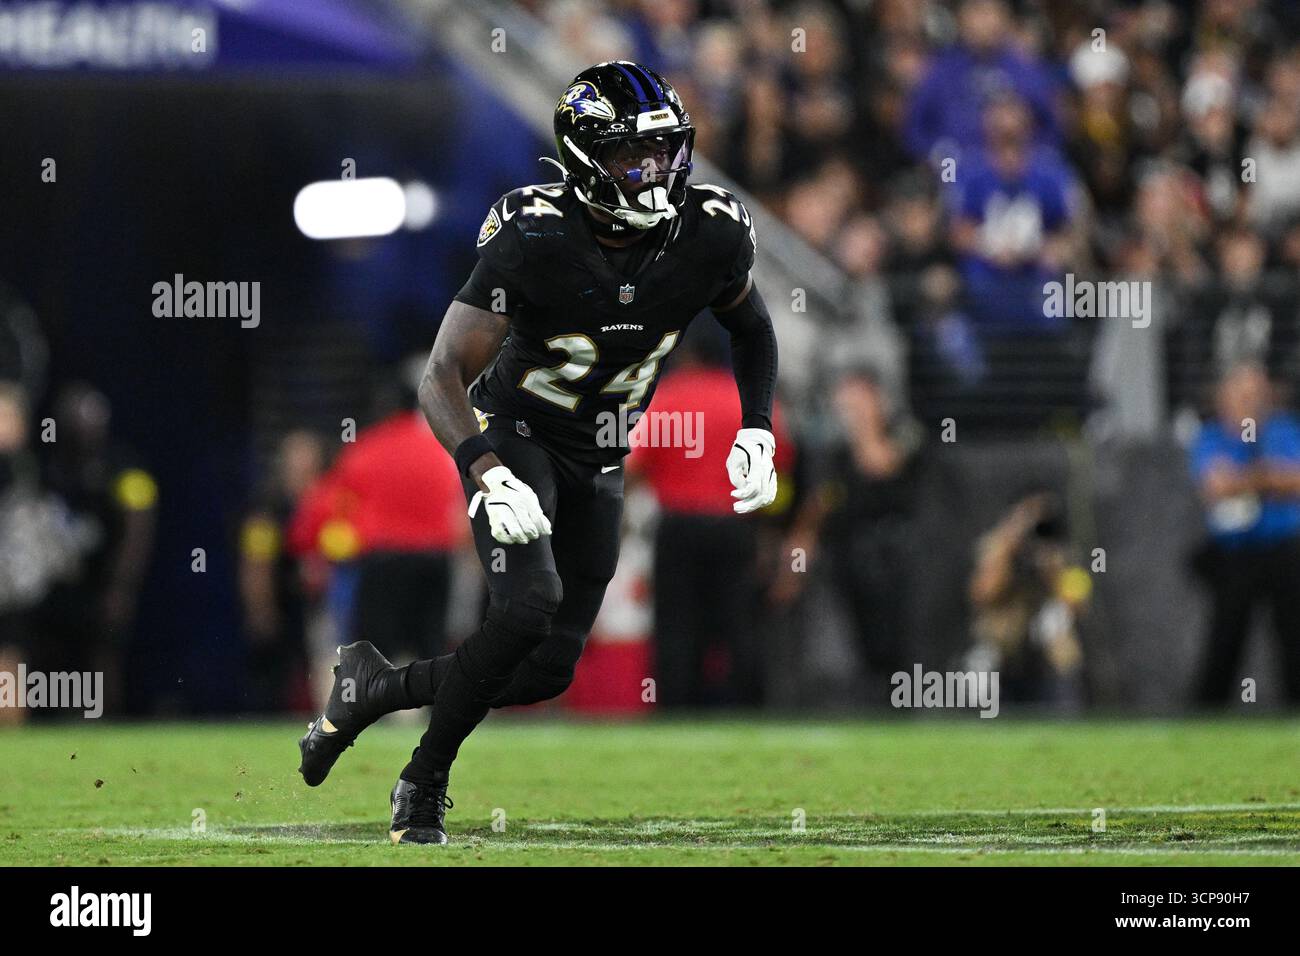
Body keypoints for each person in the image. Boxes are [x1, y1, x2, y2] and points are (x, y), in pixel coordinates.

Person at [294, 62, 779, 844]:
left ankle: (375, 687)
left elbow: (750, 327)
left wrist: (757, 424)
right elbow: (441, 375)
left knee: (548, 667)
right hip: (520, 433)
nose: (655, 170)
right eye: (633, 155)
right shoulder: (536, 234)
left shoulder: (709, 230)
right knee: (526, 604)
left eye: (664, 151)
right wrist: (483, 467)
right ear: (588, 158)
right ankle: (423, 779)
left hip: (603, 453)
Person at [1190, 362, 1300, 705]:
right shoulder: (1211, 436)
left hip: (1284, 549)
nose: (1249, 402)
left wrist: (1246, 479)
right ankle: (1206, 716)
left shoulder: (1282, 431)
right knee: (1226, 636)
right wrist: (1268, 478)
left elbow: (1295, 480)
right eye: (1241, 394)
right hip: (1236, 553)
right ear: (1223, 398)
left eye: (1256, 394)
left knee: (1294, 635)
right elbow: (1215, 486)